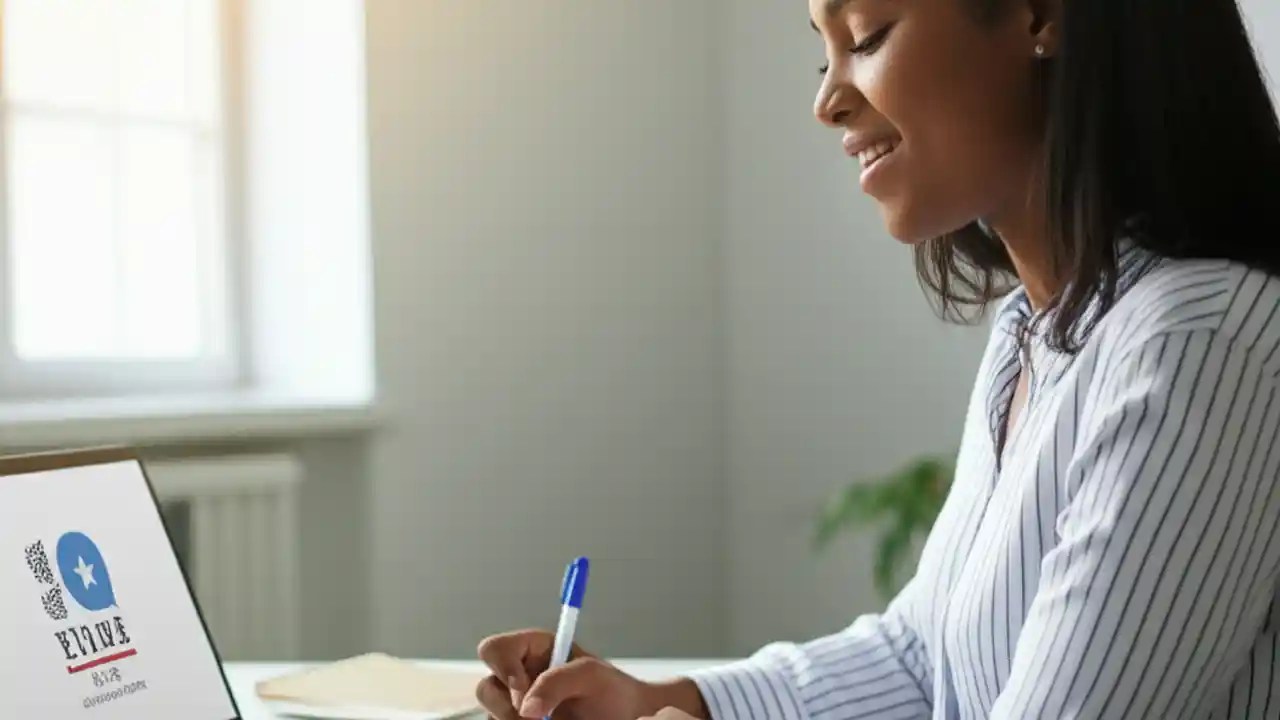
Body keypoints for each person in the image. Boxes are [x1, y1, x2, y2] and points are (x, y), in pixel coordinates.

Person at [476, 0, 1280, 716]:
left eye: (867, 36)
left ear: (1042, 16)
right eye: (823, 54)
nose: (828, 100)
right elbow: (924, 654)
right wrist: (668, 702)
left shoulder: (1196, 345)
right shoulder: (1029, 337)